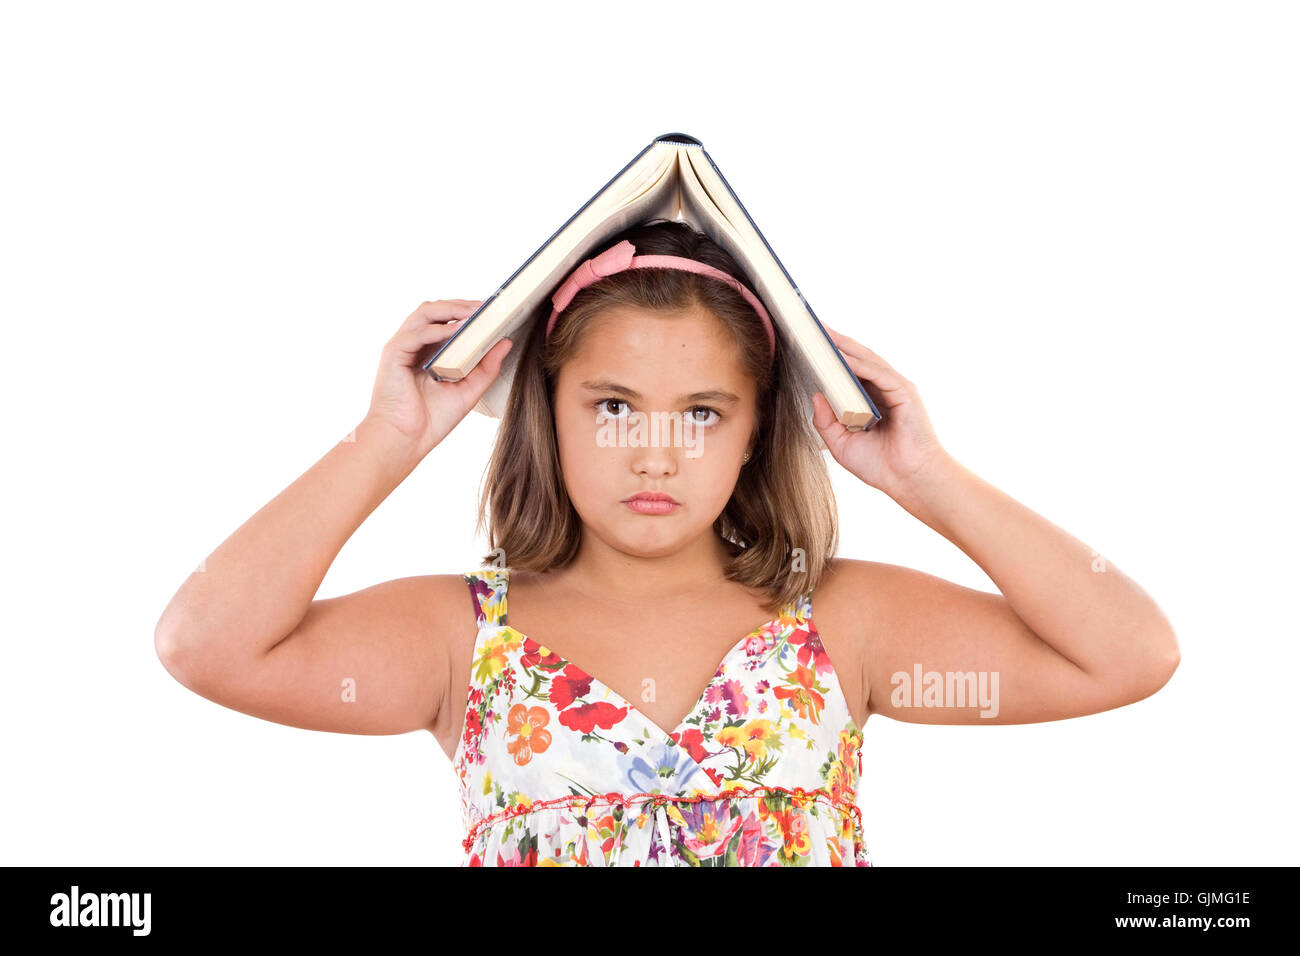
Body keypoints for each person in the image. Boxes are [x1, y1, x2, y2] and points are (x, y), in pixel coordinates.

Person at [154, 219, 1180, 866]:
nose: (653, 451)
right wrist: (389, 438)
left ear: (751, 432)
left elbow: (1129, 651)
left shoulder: (839, 622)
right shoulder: (463, 637)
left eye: (700, 412)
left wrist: (927, 478)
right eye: (611, 405)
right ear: (544, 413)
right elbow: (205, 639)